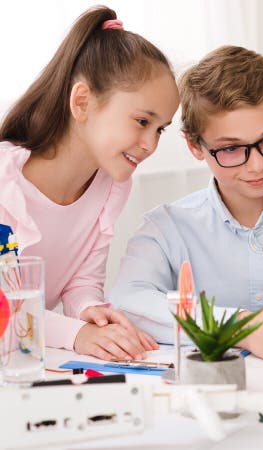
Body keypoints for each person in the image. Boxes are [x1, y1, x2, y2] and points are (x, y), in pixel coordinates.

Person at [110, 46, 263, 364]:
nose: (257, 165)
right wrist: (239, 327)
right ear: (194, 146)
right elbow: (127, 300)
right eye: (231, 149)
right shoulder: (167, 228)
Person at [0, 6, 179, 359]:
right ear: (82, 102)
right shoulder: (6, 182)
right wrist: (76, 333)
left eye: (160, 129)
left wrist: (91, 312)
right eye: (142, 121)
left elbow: (81, 282)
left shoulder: (111, 188)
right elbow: (4, 306)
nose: (151, 144)